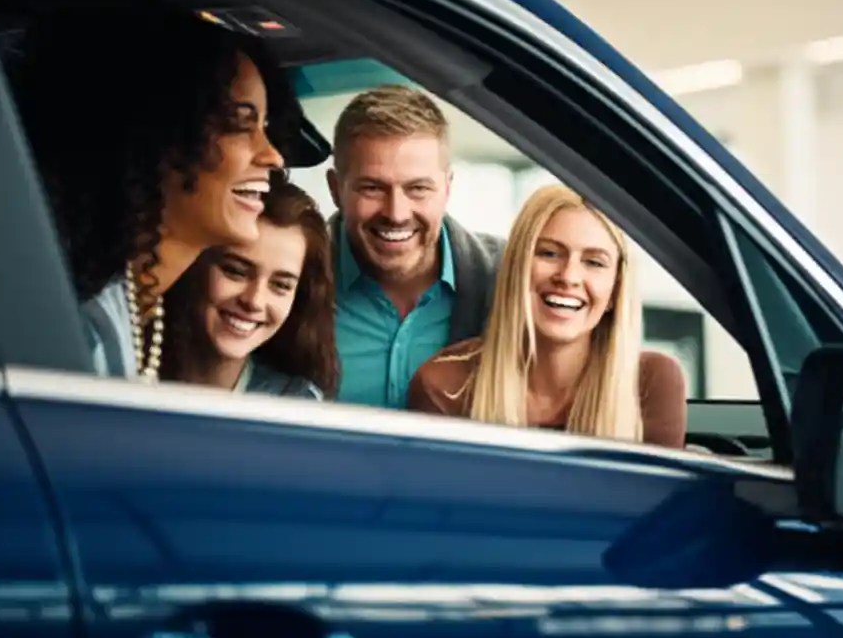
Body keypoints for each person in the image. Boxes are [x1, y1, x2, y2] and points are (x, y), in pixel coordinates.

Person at [14, 5, 301, 381]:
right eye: (240, 124)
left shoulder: (122, 310)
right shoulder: (80, 330)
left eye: (263, 126)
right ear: (159, 141)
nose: (273, 156)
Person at [407, 185, 687, 448]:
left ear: (615, 290)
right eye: (549, 253)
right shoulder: (444, 384)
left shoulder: (651, 382)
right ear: (517, 269)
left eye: (593, 262)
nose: (568, 277)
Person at [327, 85, 504, 408]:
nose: (396, 213)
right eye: (372, 188)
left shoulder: (509, 280)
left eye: (418, 189)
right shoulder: (287, 279)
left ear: (447, 189)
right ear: (336, 189)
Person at [160, 178, 338, 399]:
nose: (254, 300)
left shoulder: (297, 403)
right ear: (193, 262)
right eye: (235, 271)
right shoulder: (118, 361)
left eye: (281, 285)